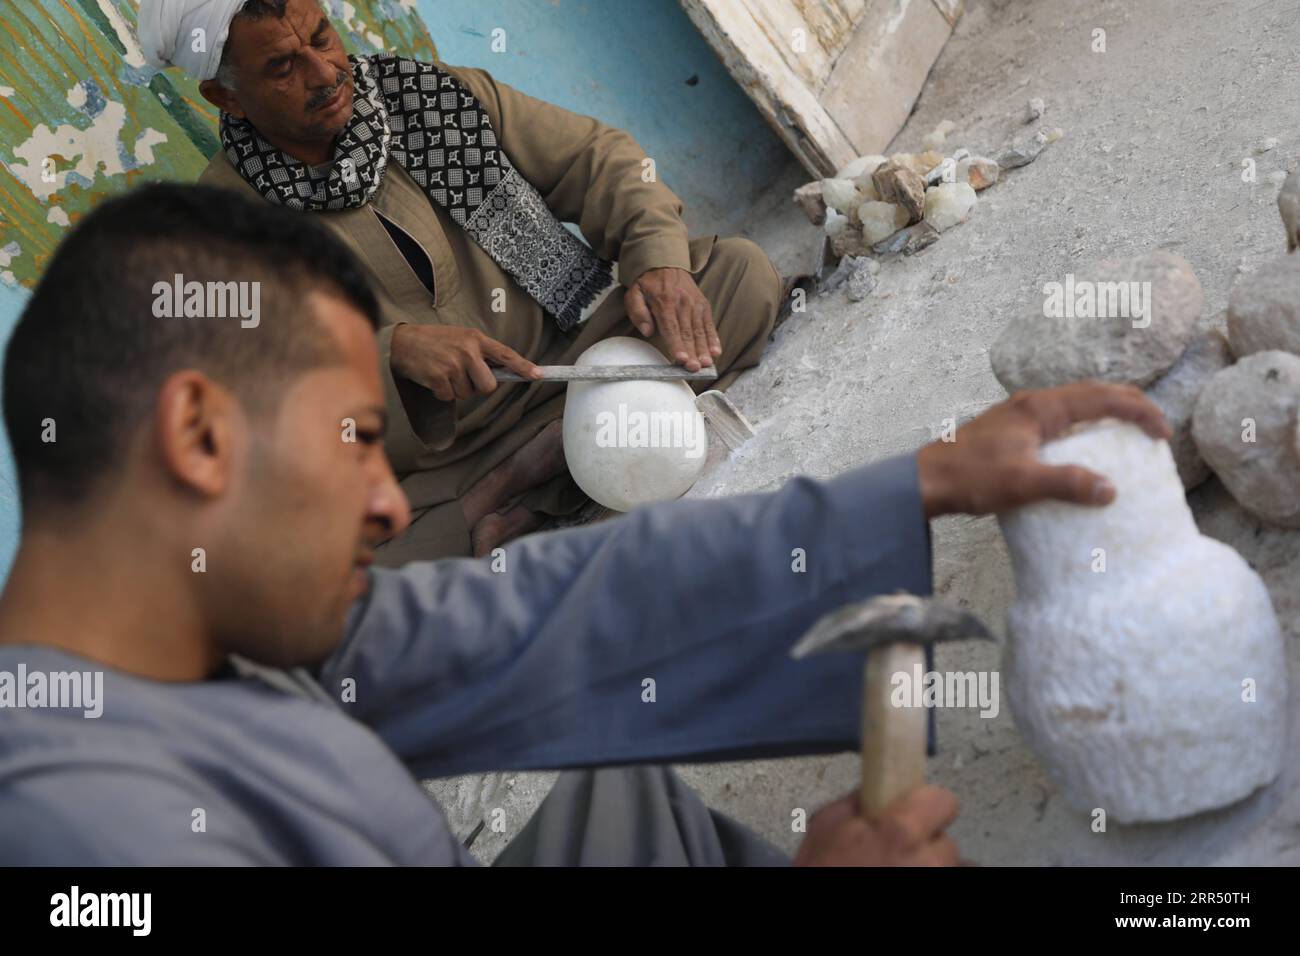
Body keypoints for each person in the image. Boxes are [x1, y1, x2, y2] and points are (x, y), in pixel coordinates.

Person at [0, 184, 1170, 865]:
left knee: (605, 799)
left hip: (557, 377)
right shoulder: (87, 833)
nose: (388, 500)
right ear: (199, 435)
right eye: (358, 435)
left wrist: (921, 481)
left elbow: (536, 613)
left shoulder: (229, 645)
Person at [138, 0, 784, 561]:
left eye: (322, 37)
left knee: (740, 278)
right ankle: (557, 465)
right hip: (442, 459)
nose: (324, 72)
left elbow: (596, 159)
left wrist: (659, 262)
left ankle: (527, 484)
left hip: (576, 357)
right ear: (225, 96)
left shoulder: (429, 96)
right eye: (282, 66)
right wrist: (392, 354)